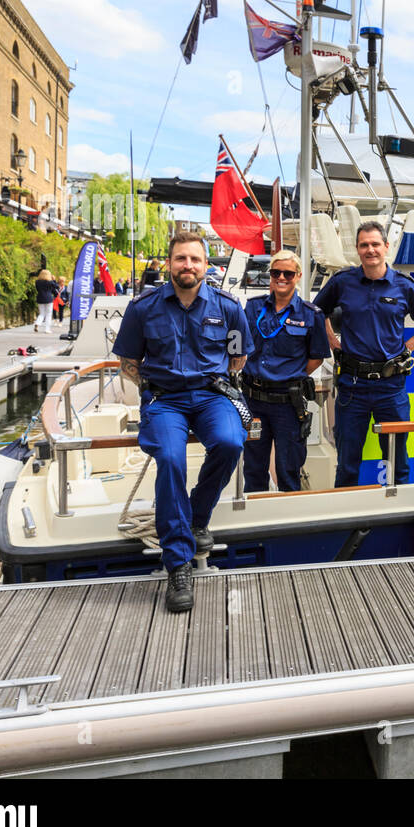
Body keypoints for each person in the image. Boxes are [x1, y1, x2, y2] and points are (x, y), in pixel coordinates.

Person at [111, 230, 253, 613]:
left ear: (206, 265)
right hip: (165, 400)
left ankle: (197, 518)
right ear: (169, 263)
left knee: (230, 443)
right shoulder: (143, 308)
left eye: (195, 259)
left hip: (211, 395)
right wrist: (153, 387)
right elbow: (127, 362)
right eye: (180, 259)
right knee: (171, 460)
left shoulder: (228, 307)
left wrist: (215, 377)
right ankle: (177, 564)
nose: (187, 265)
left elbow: (238, 358)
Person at [315, 220, 414, 488]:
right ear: (358, 249)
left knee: (397, 462)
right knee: (348, 462)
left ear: (386, 247)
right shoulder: (342, 282)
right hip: (352, 386)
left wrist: (406, 349)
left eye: (375, 244)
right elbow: (316, 312)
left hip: (391, 387)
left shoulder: (404, 286)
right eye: (364, 245)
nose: (370, 249)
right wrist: (331, 341)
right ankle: (347, 520)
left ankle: (396, 518)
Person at [242, 250, 330, 492]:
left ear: (298, 276)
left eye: (288, 273)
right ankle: (255, 524)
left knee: (288, 468)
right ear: (270, 275)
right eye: (275, 272)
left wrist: (288, 374)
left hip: (287, 405)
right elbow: (238, 348)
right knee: (253, 467)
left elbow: (316, 357)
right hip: (253, 402)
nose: (281, 277)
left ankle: (287, 523)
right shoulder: (252, 308)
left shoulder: (311, 315)